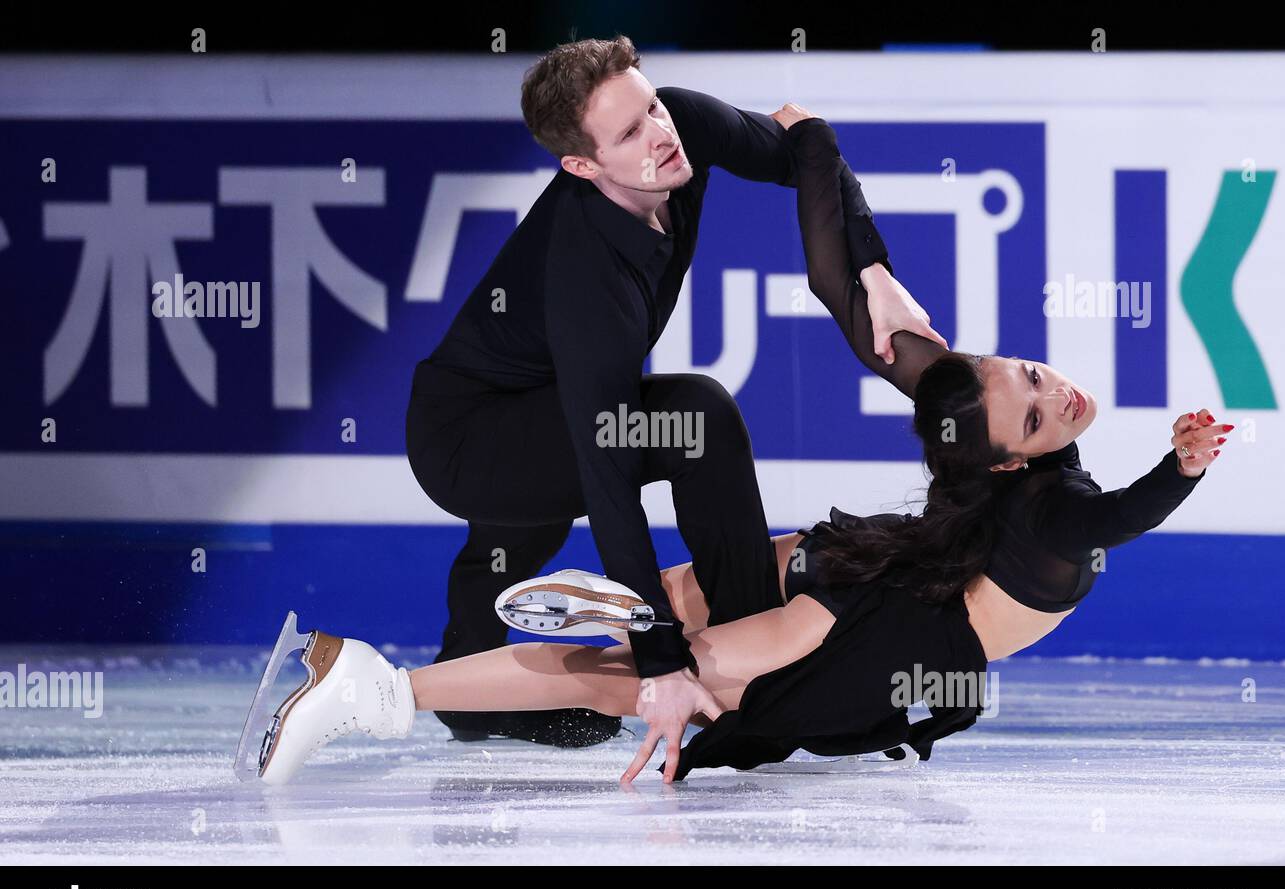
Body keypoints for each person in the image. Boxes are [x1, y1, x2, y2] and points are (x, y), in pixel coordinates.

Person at [243, 105, 1227, 787]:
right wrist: (855, 229)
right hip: (855, 630)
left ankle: (528, 645)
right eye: (1030, 381)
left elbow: (1114, 514)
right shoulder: (995, 446)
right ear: (1008, 456)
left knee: (668, 627)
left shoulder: (993, 451)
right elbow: (1112, 514)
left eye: (1039, 397)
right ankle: (389, 685)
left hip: (857, 579)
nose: (1055, 388)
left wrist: (825, 173)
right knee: (661, 669)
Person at [403, 35, 942, 758]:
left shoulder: (680, 127)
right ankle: (763, 671)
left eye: (652, 107)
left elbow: (806, 144)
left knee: (535, 513)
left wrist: (874, 272)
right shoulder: (585, 271)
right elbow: (608, 473)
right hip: (465, 440)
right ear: (582, 166)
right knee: (700, 419)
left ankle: (465, 690)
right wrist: (658, 661)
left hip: (532, 399)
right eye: (629, 133)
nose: (660, 134)